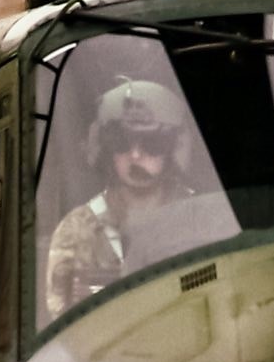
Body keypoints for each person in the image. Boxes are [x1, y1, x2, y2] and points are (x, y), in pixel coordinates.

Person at [42, 79, 199, 317]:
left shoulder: (200, 219)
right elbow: (62, 324)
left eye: (152, 144)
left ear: (173, 149)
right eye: (122, 143)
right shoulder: (77, 230)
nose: (135, 155)